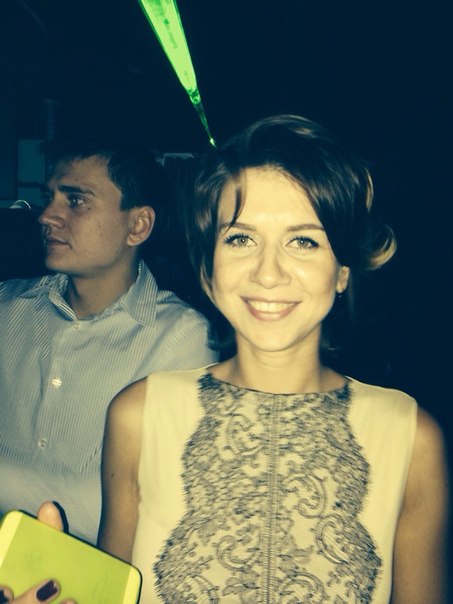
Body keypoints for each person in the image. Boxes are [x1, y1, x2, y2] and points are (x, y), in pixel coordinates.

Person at [97, 114, 449, 603]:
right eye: (240, 239)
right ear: (208, 266)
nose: (268, 273)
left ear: (343, 271)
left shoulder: (412, 438)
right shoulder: (137, 416)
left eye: (303, 241)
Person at [0, 139, 218, 545]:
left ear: (138, 226)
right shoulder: (7, 307)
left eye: (76, 200)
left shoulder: (181, 339)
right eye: (50, 198)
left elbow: (153, 508)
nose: (46, 216)